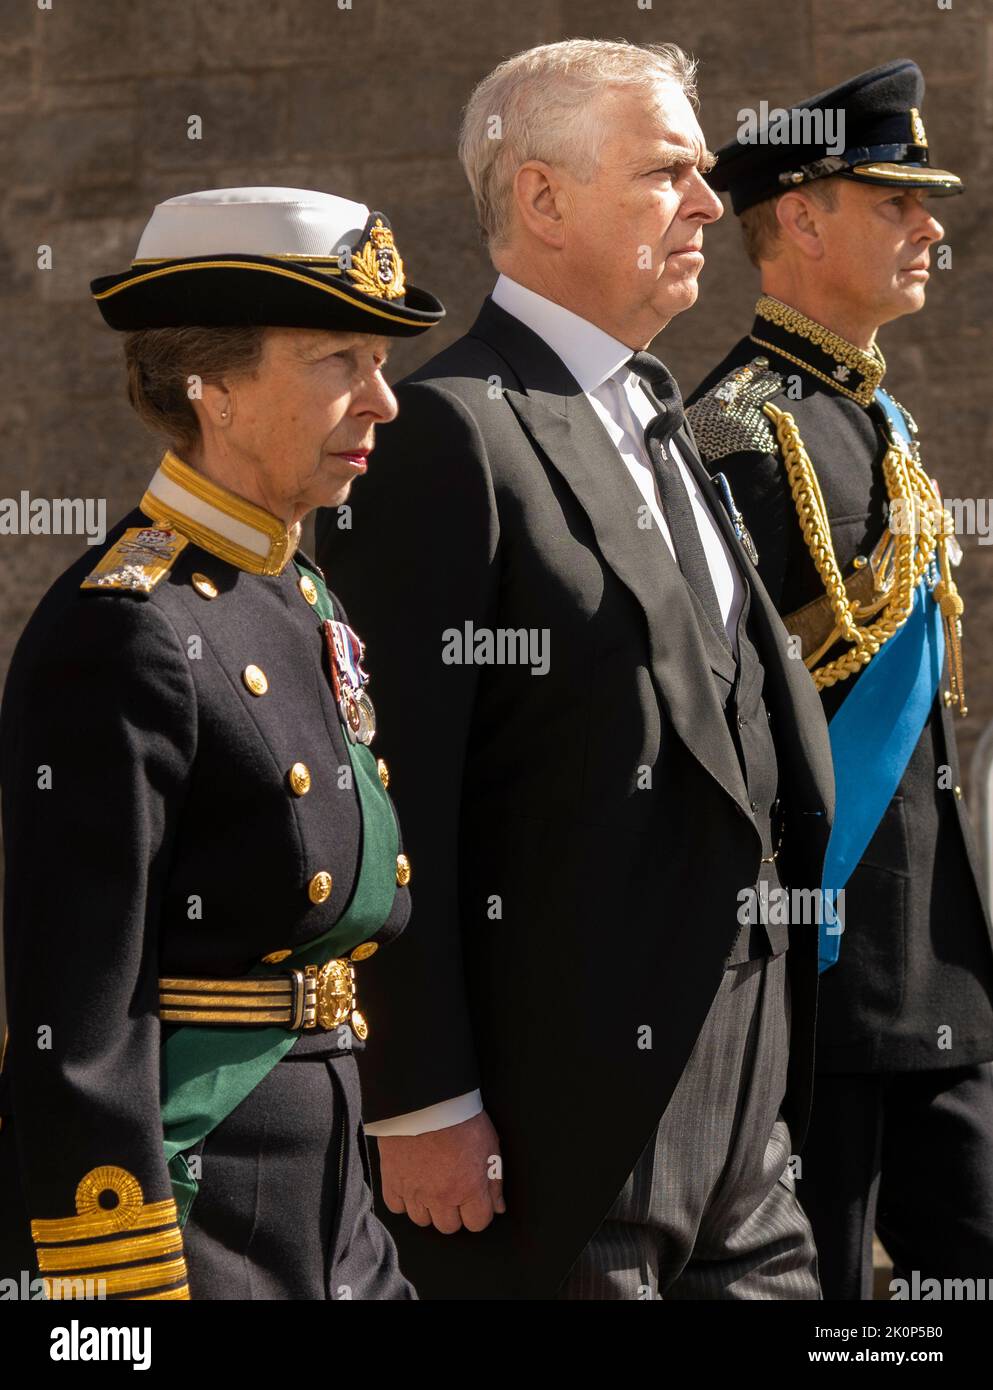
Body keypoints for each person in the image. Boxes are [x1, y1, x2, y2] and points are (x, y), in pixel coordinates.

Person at [317, 39, 834, 1300]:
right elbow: (396, 793)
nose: (710, 203)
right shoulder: (452, 431)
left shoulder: (663, 418)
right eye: (668, 173)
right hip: (564, 1127)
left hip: (748, 1094)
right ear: (542, 199)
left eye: (702, 174)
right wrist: (419, 1095)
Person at [0, 186, 445, 1300]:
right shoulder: (126, 625)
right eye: (340, 359)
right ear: (214, 386)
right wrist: (122, 1292)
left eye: (381, 360)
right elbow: (78, 1020)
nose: (383, 400)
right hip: (193, 1212)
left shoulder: (301, 595)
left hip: (332, 1192)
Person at [686, 60, 993, 1299]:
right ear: (800, 218)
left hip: (933, 962)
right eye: (892, 202)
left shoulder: (877, 419)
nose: (931, 228)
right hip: (825, 971)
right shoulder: (736, 429)